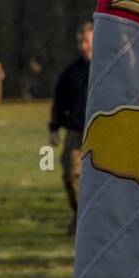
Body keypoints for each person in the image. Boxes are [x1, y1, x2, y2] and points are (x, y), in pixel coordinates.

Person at [48, 22, 93, 236]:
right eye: (79, 42)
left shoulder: (109, 68)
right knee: (70, 174)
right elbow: (59, 101)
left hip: (104, 132)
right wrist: (54, 128)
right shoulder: (71, 72)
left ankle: (94, 222)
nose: (83, 46)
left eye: (86, 41)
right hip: (76, 131)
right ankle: (81, 214)